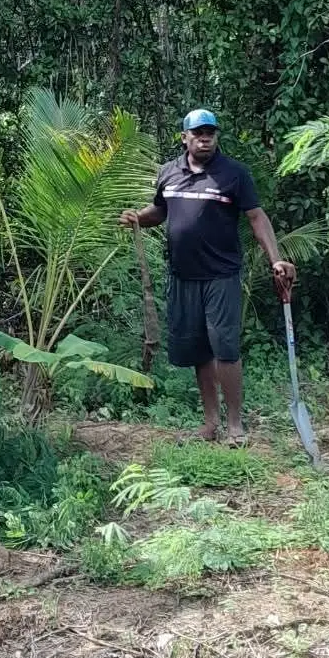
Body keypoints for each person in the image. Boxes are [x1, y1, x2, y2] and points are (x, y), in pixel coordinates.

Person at [120, 109, 295, 443]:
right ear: (184, 137)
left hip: (221, 276)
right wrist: (138, 218)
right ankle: (211, 423)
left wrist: (276, 259)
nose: (205, 138)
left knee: (225, 348)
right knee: (199, 350)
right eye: (198, 133)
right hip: (183, 276)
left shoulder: (234, 174)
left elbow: (257, 218)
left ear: (216, 136)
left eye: (210, 133)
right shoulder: (168, 173)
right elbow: (161, 210)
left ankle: (235, 426)